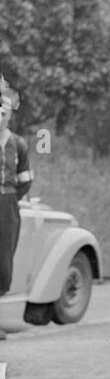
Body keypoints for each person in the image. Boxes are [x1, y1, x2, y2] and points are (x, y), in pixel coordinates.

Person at [0, 81, 33, 341]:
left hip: (8, 206)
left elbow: (25, 180)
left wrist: (11, 199)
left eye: (6, 110)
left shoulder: (18, 144)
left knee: (3, 265)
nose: (2, 114)